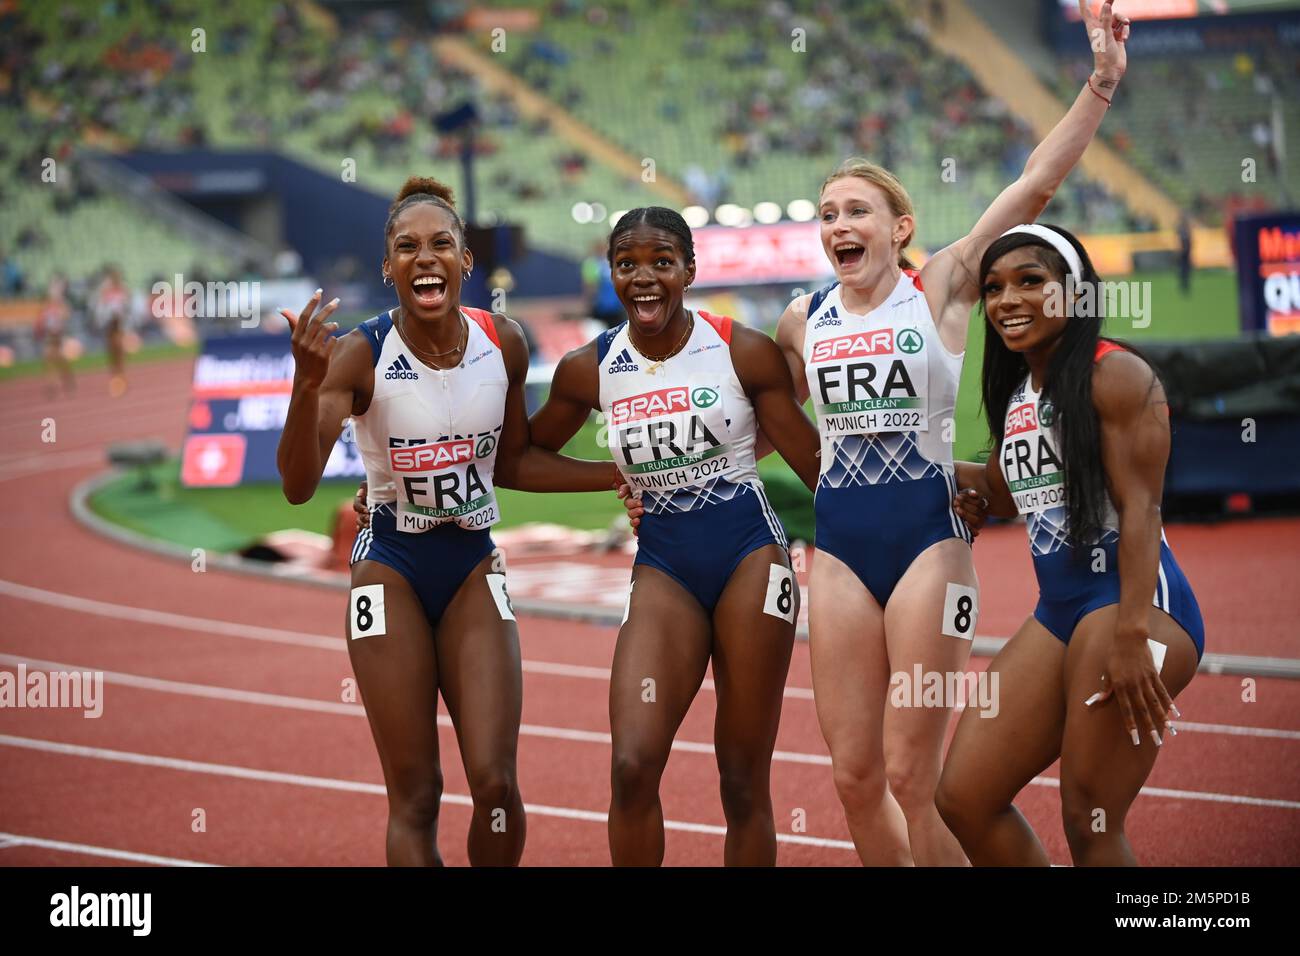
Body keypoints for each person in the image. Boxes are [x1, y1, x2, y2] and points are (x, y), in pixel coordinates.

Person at [770, 0, 1131, 865]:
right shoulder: (799, 320)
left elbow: (1033, 187)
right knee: (854, 777)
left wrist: (1100, 85)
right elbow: (766, 423)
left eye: (855, 211)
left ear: (898, 229)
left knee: (912, 775)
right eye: (825, 215)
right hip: (842, 550)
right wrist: (648, 483)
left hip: (931, 542)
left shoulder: (938, 287)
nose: (837, 228)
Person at [277, 176, 622, 866]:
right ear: (389, 267)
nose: (424, 258)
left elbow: (515, 464)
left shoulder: (508, 342)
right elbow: (296, 484)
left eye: (441, 245)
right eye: (407, 247)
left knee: (495, 784)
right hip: (390, 569)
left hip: (472, 564)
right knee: (417, 793)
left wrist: (617, 475)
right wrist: (305, 384)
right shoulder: (359, 354)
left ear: (465, 262)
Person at [529, 206, 822, 865]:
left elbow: (819, 471)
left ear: (689, 269)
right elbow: (516, 458)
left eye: (662, 262)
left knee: (743, 781)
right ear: (611, 274)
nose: (644, 278)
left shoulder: (740, 349)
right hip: (665, 567)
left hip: (751, 558)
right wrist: (614, 474)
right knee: (632, 766)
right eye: (627, 264)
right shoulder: (590, 368)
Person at [936, 223, 1203, 865]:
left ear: (1075, 293)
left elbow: (1142, 509)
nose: (1008, 300)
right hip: (1060, 611)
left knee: (1091, 819)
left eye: (1031, 281)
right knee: (964, 797)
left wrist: (1134, 634)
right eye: (994, 288)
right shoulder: (1017, 391)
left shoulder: (1118, 375)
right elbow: (1009, 491)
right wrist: (956, 487)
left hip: (1133, 608)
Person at [92, 265, 131, 397]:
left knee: (119, 353)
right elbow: (101, 308)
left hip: (119, 326)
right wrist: (103, 318)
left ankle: (120, 378)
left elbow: (127, 308)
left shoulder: (123, 290)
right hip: (109, 326)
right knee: (112, 354)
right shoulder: (106, 291)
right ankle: (116, 378)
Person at [35, 272, 74, 398]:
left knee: (60, 359)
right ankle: (52, 385)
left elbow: (65, 318)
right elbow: (40, 321)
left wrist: (59, 327)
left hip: (58, 337)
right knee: (48, 359)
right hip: (49, 337)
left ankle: (67, 379)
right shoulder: (46, 308)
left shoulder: (60, 307)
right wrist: (40, 330)